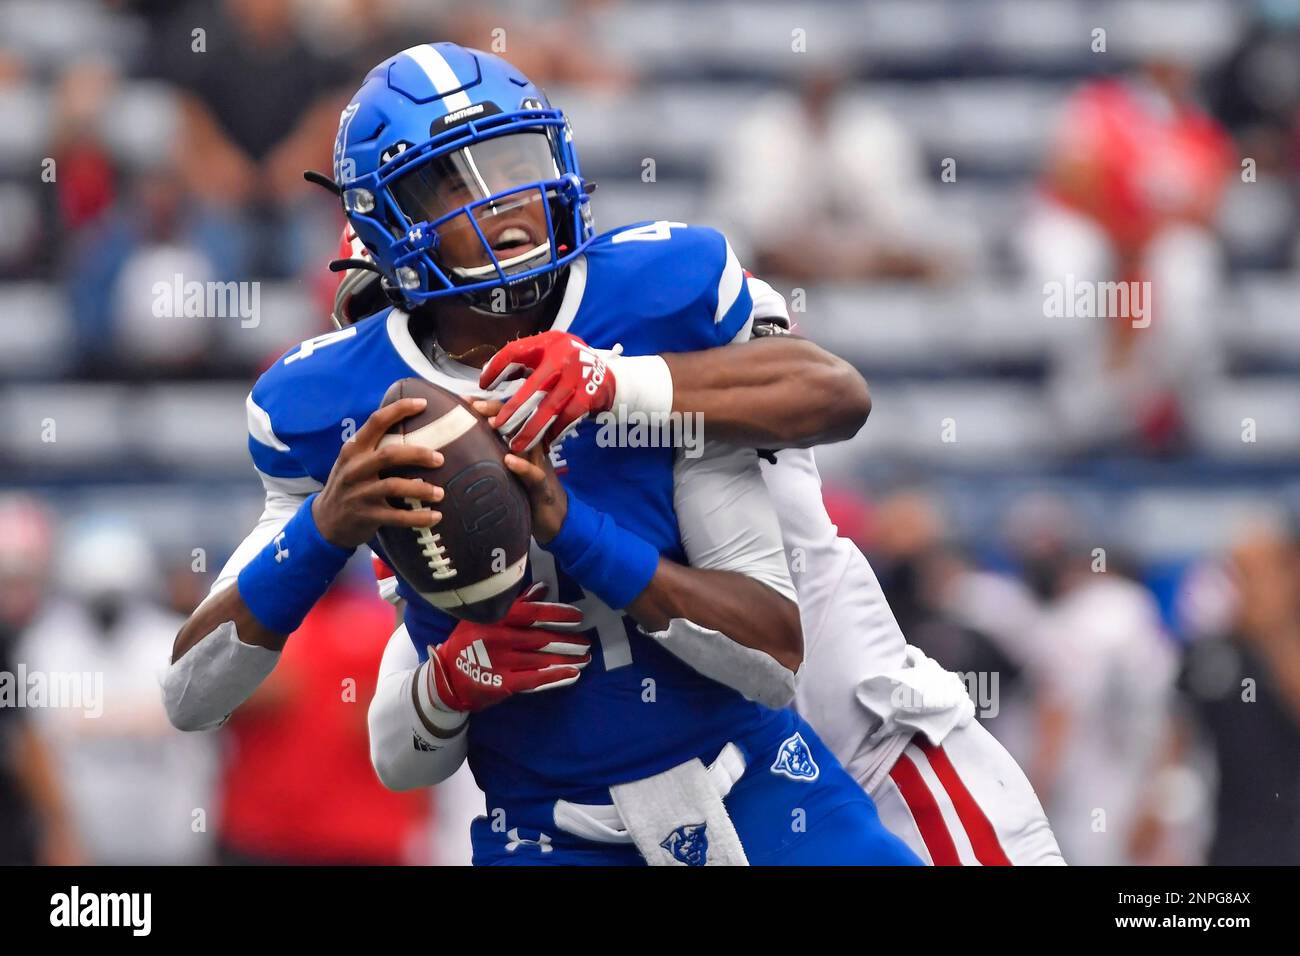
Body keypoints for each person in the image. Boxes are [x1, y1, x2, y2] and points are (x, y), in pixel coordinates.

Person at [164, 42, 918, 866]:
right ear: (385, 224)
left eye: (513, 159)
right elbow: (194, 691)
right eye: (454, 182)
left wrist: (607, 398)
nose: (504, 199)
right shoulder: (332, 405)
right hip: (545, 831)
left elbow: (775, 645)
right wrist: (328, 527)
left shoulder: (659, 294)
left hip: (763, 784)